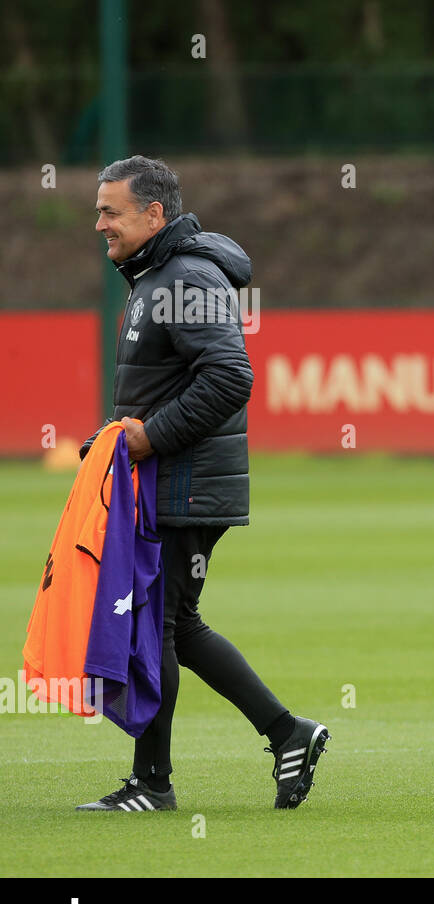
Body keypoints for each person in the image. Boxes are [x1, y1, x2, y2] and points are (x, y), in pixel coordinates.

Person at [77, 155, 328, 811]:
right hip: (165, 478)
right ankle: (287, 733)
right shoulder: (157, 274)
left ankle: (151, 784)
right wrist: (112, 439)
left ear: (153, 214)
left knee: (156, 626)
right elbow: (162, 387)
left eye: (111, 211)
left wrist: (147, 438)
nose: (98, 223)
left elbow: (229, 377)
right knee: (176, 624)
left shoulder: (185, 277)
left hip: (182, 482)